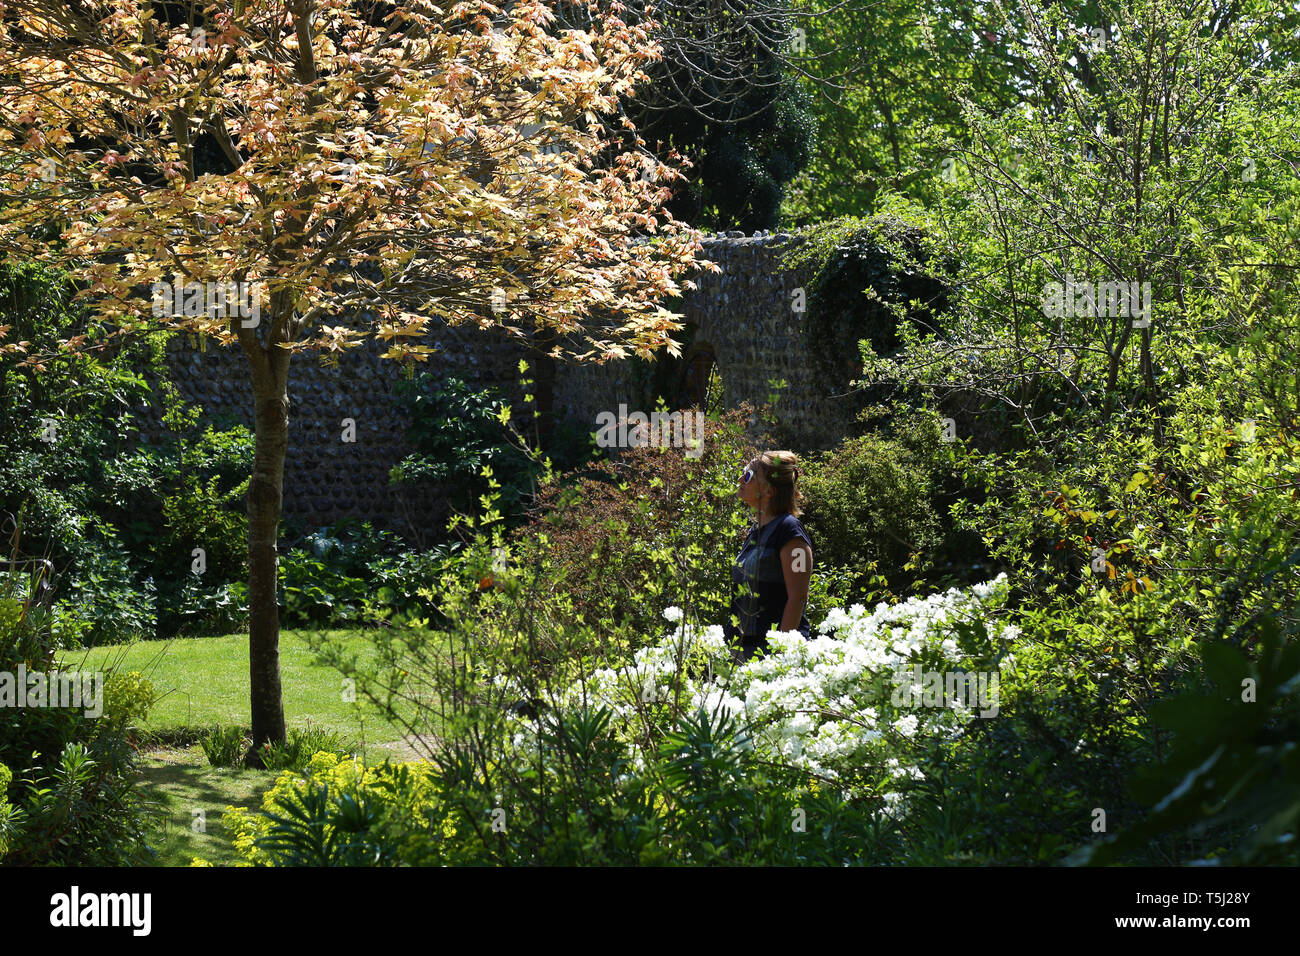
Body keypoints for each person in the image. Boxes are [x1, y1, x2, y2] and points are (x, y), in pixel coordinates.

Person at [727, 450, 814, 662]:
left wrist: (778, 656)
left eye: (748, 475)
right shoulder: (755, 531)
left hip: (773, 655)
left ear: (769, 490)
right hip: (744, 652)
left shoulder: (790, 532)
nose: (740, 479)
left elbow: (798, 596)